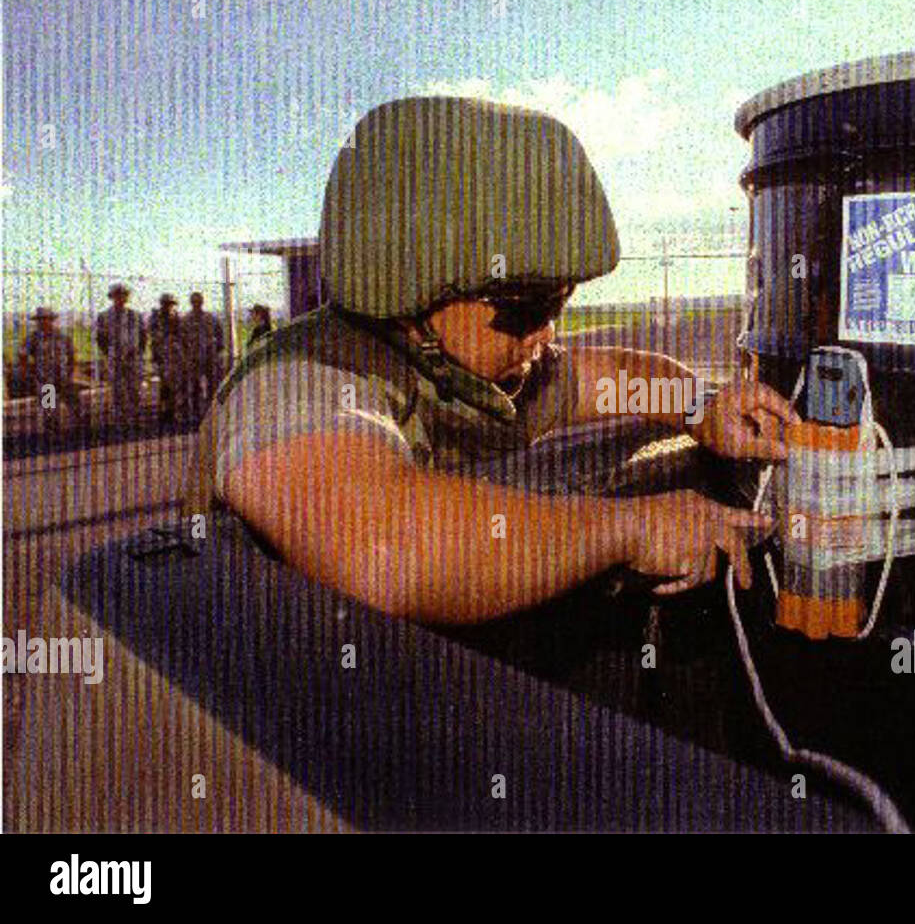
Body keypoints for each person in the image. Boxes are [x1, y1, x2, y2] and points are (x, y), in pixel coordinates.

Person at [182, 95, 798, 624]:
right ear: (417, 294)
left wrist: (702, 410)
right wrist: (633, 528)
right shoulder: (299, 380)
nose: (546, 333)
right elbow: (383, 551)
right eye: (526, 308)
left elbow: (623, 380)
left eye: (559, 303)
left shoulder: (496, 370)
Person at [20, 307, 82, 435]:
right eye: (41, 319)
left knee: (76, 405)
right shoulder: (32, 338)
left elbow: (72, 356)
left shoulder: (62, 337)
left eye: (47, 319)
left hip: (63, 378)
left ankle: (79, 434)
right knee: (49, 411)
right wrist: (32, 374)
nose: (44, 322)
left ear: (52, 320)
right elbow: (23, 357)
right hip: (44, 379)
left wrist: (70, 372)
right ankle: (53, 438)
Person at [95, 283, 146, 426]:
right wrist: (110, 353)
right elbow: (100, 338)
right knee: (117, 390)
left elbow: (143, 336)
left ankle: (135, 418)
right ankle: (119, 420)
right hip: (115, 357)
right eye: (117, 295)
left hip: (133, 357)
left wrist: (137, 352)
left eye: (123, 295)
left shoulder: (135, 315)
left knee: (134, 389)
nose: (120, 298)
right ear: (112, 297)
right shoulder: (104, 316)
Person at [179, 291, 224, 423]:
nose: (196, 304)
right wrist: (186, 356)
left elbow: (220, 335)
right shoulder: (186, 320)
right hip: (194, 358)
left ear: (202, 302)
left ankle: (214, 412)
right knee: (194, 387)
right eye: (194, 302)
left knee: (213, 386)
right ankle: (197, 414)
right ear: (191, 303)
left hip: (210, 357)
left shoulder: (211, 318)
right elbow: (182, 340)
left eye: (198, 301)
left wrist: (217, 351)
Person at [147, 293, 182, 426]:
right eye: (166, 304)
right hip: (161, 356)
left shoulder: (176, 317)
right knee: (164, 386)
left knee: (174, 385)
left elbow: (181, 334)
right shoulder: (156, 318)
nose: (169, 306)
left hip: (174, 356)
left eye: (171, 304)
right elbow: (153, 335)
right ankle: (164, 411)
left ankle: (172, 411)